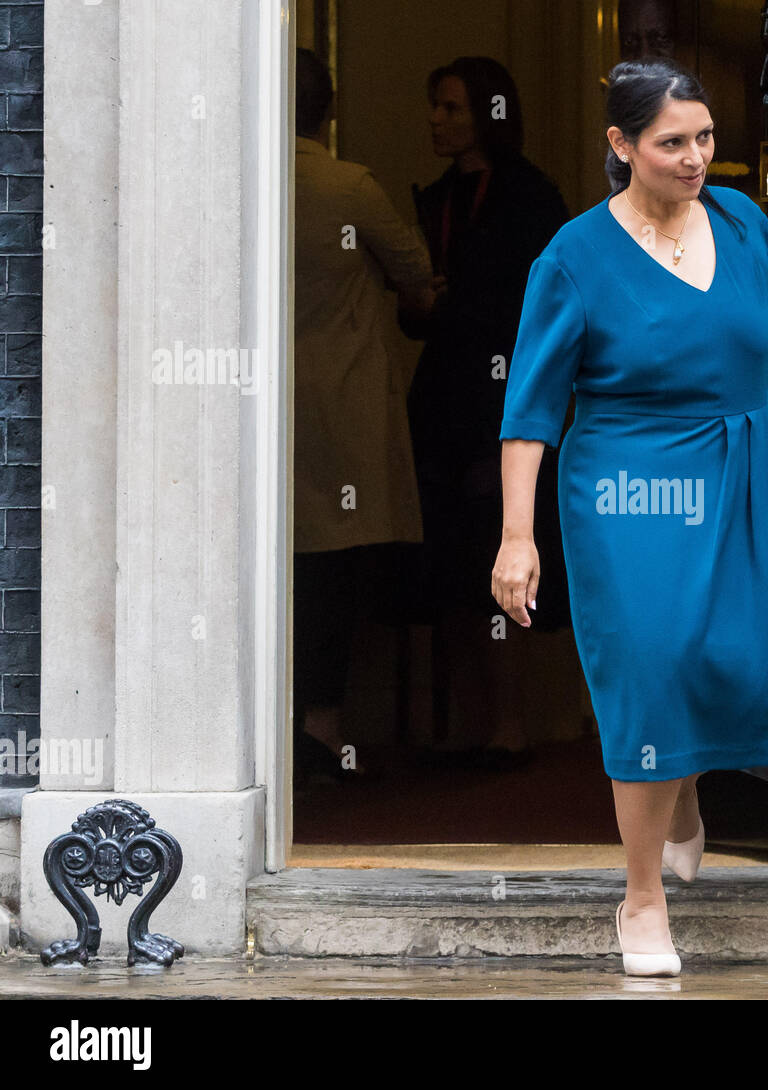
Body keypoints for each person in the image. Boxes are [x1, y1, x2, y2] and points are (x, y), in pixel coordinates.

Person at [492, 59, 768, 976]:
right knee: (650, 663)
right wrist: (517, 538)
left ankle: (682, 798)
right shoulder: (573, 257)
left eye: (705, 140)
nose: (694, 158)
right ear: (622, 146)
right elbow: (528, 412)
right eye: (671, 143)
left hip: (745, 470)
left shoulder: (746, 224)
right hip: (625, 490)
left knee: (733, 658)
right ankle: (641, 903)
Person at [402, 57, 571, 769]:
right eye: (435, 107)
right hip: (442, 396)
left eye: (451, 108)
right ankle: (465, 728)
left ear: (488, 113)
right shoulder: (434, 196)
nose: (437, 120)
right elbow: (416, 319)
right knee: (447, 558)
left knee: (501, 549)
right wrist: (425, 303)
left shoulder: (532, 197)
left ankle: (512, 727)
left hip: (507, 399)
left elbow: (546, 307)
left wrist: (460, 302)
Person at [293, 48, 439, 782]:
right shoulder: (349, 186)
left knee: (279, 573)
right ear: (331, 108)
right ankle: (321, 730)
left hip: (263, 410)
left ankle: (277, 731)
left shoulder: (239, 179)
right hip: (340, 405)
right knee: (333, 577)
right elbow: (418, 275)